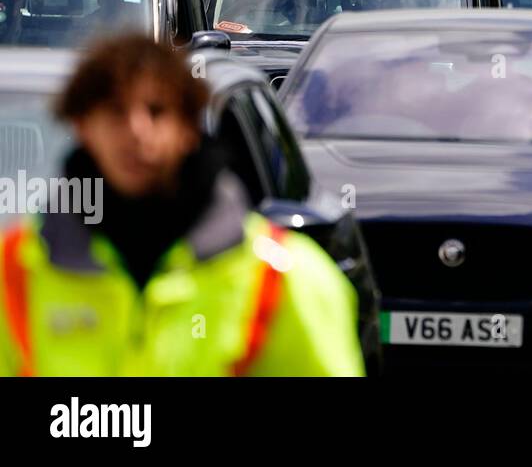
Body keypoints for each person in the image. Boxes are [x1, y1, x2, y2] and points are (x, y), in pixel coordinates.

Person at [0, 36, 365, 376]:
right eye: (115, 111)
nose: (136, 130)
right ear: (82, 126)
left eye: (156, 111)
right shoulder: (15, 269)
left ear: (189, 127)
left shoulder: (287, 279)